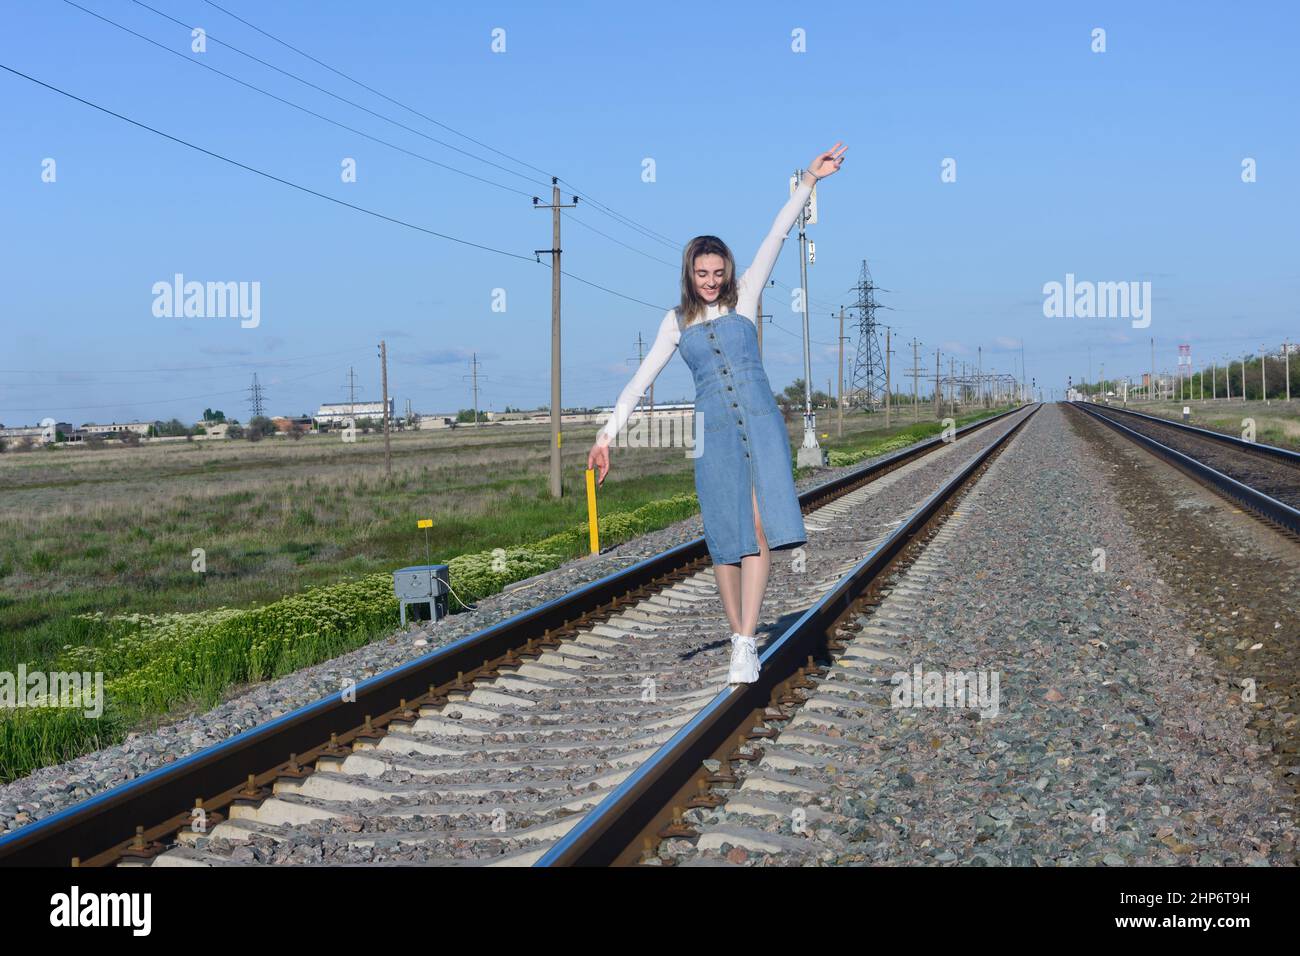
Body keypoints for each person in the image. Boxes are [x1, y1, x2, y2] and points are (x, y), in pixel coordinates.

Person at [587, 143, 848, 684]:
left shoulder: (746, 298)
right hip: (713, 432)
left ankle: (747, 642)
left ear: (728, 269)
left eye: (717, 269)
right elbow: (640, 383)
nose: (710, 279)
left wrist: (808, 181)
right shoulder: (674, 322)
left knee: (756, 527)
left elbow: (776, 235)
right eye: (702, 272)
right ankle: (736, 636)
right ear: (690, 274)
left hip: (759, 421)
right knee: (724, 537)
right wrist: (606, 436)